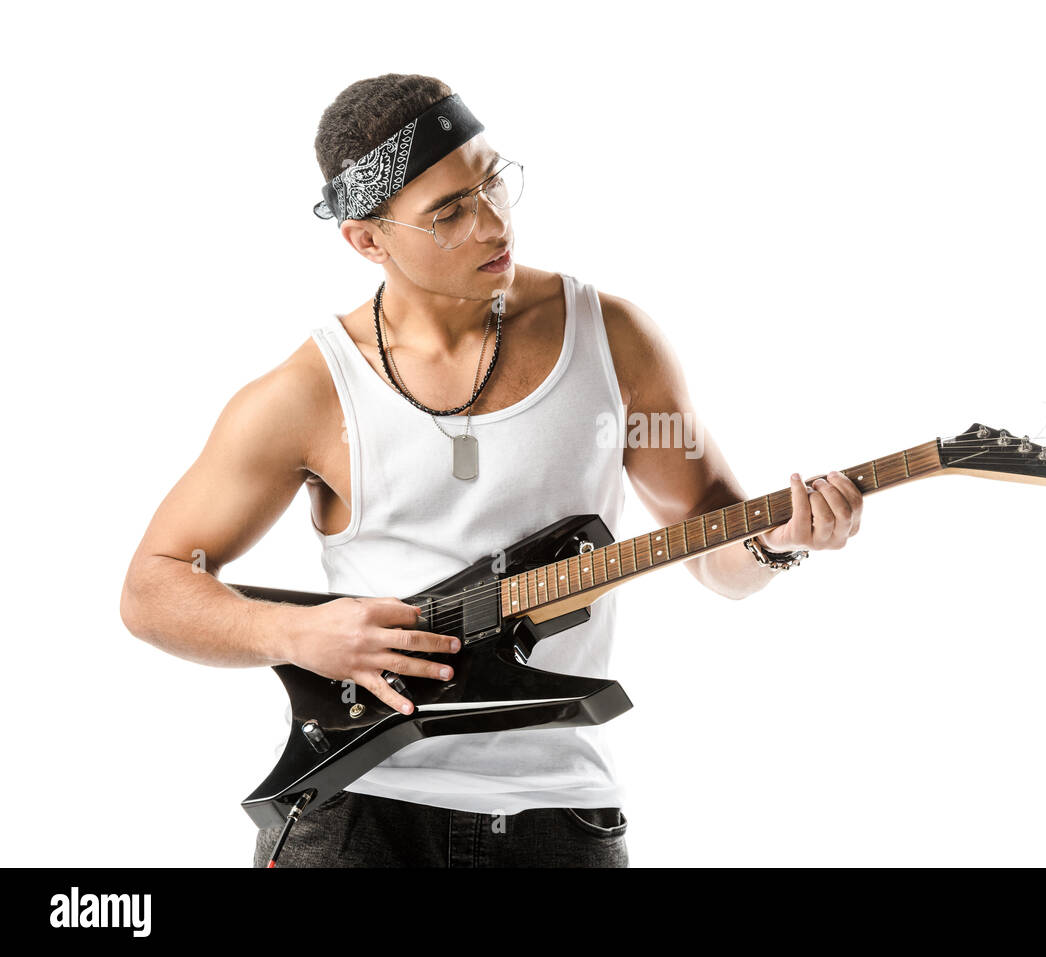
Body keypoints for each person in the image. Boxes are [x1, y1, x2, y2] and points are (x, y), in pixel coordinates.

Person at [119, 73, 864, 868]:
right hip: (359, 813)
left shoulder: (615, 341)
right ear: (368, 240)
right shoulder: (304, 394)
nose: (493, 221)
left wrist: (774, 544)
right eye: (449, 212)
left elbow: (712, 547)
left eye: (493, 179)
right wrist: (294, 631)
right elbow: (152, 586)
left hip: (559, 817)